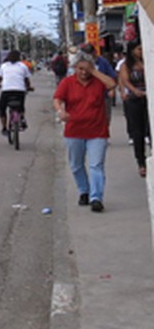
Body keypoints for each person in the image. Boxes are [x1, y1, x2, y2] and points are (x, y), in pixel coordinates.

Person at [54, 52, 117, 212]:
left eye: (86, 69)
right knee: (76, 165)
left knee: (96, 165)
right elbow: (57, 99)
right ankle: (84, 191)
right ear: (74, 68)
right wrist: (61, 111)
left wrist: (94, 71)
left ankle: (96, 198)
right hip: (74, 130)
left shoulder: (98, 82)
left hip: (97, 130)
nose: (83, 72)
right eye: (80, 68)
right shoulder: (67, 83)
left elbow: (111, 84)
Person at [118, 41, 148, 178]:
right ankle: (141, 162)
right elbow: (125, 81)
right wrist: (134, 91)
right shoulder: (126, 65)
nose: (141, 52)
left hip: (149, 98)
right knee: (138, 132)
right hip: (135, 99)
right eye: (138, 49)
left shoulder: (148, 61)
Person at [0, 49, 34, 136]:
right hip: (20, 91)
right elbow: (26, 80)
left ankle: (4, 128)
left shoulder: (4, 66)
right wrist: (29, 87)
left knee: (2, 108)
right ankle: (22, 118)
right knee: (21, 106)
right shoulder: (23, 66)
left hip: (6, 91)